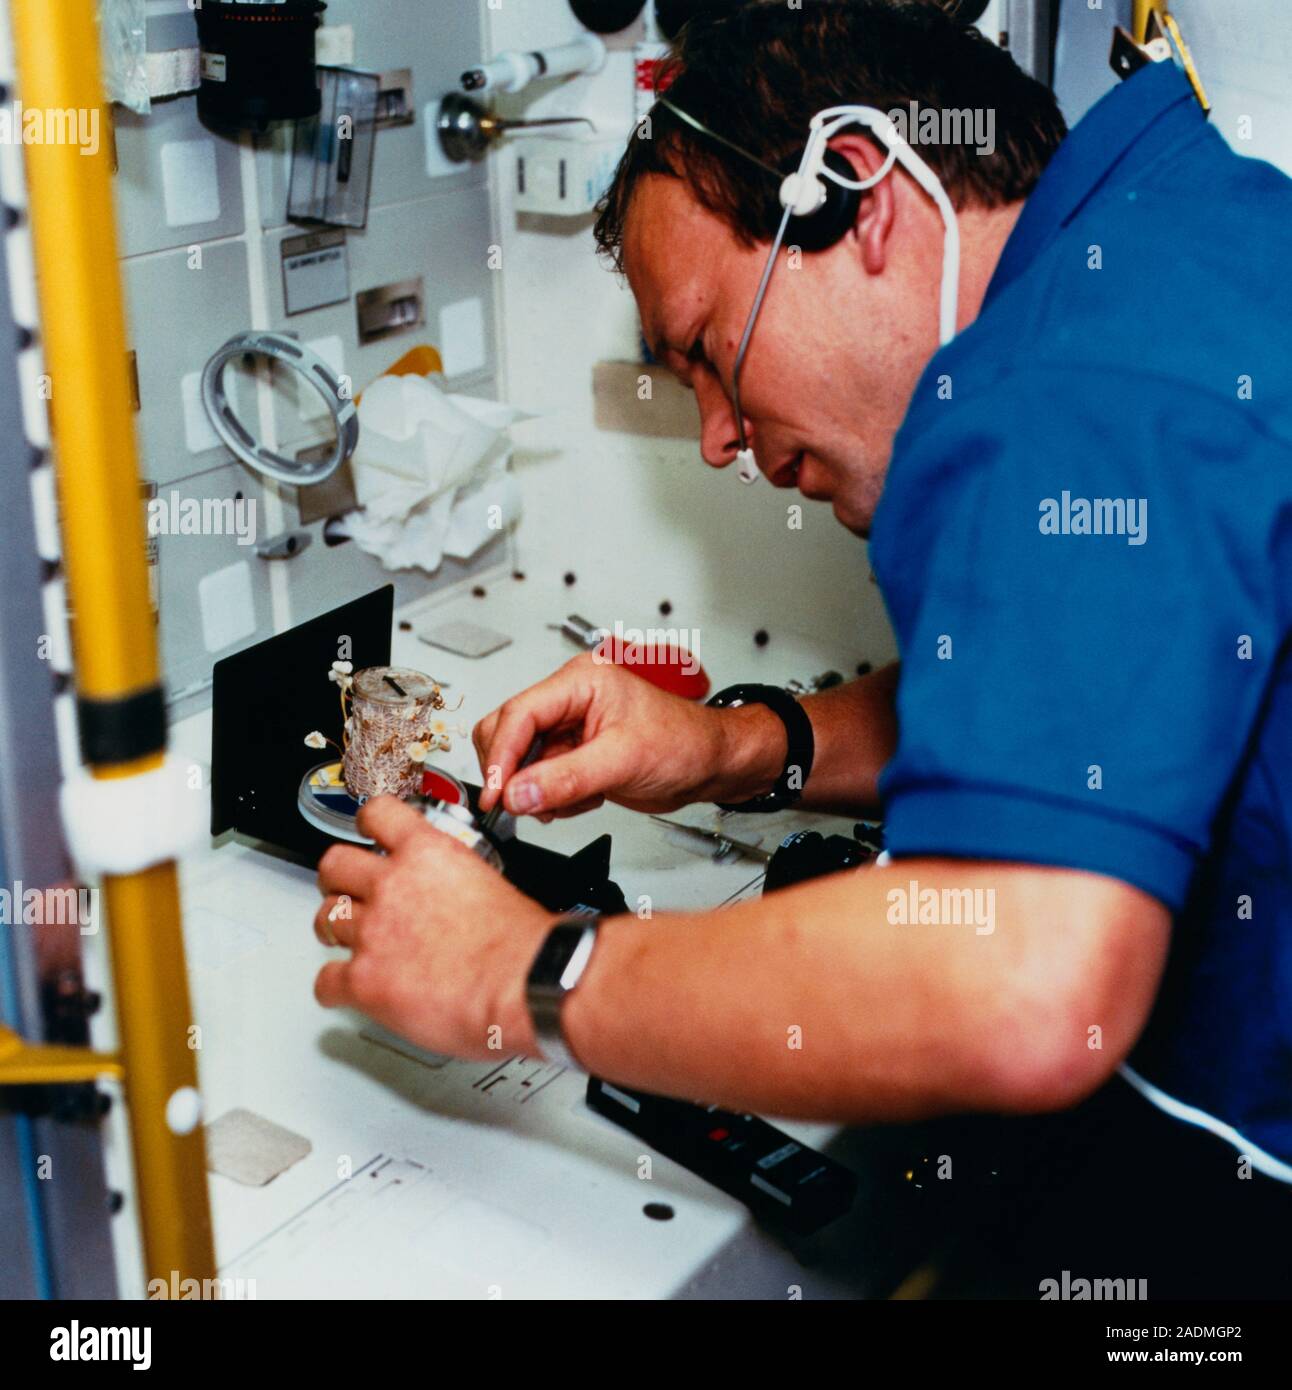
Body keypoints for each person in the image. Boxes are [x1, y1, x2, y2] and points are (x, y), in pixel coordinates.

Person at [311, 1, 1292, 1289]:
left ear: (859, 185)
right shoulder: (1180, 241)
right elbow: (1077, 709)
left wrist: (517, 970)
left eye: (709, 350)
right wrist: (736, 748)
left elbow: (1018, 984)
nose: (718, 438)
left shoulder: (1057, 394)